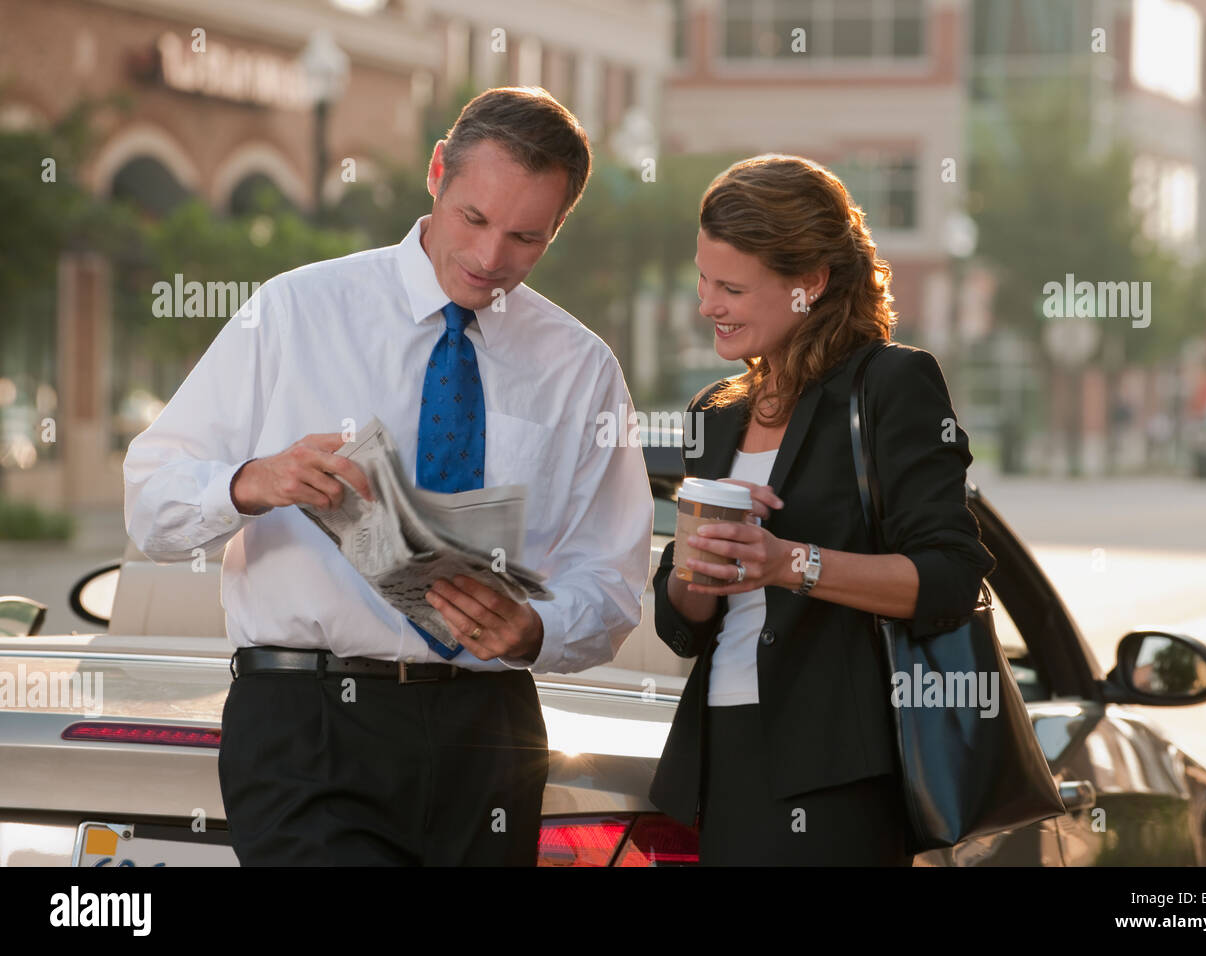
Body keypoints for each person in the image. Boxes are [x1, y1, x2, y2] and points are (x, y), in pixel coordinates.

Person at [123, 87, 653, 865]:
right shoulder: (296, 312)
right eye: (474, 219)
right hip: (308, 726)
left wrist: (538, 628)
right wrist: (250, 482)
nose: (489, 257)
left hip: (489, 731)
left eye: (525, 237)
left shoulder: (582, 371)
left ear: (557, 227)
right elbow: (147, 500)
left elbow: (610, 584)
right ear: (438, 171)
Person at [647, 155, 996, 865]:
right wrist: (692, 570)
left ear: (808, 284)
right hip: (723, 756)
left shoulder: (892, 385)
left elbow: (953, 575)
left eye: (733, 287)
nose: (707, 305)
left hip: (836, 771)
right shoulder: (713, 416)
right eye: (704, 280)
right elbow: (682, 624)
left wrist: (787, 563)